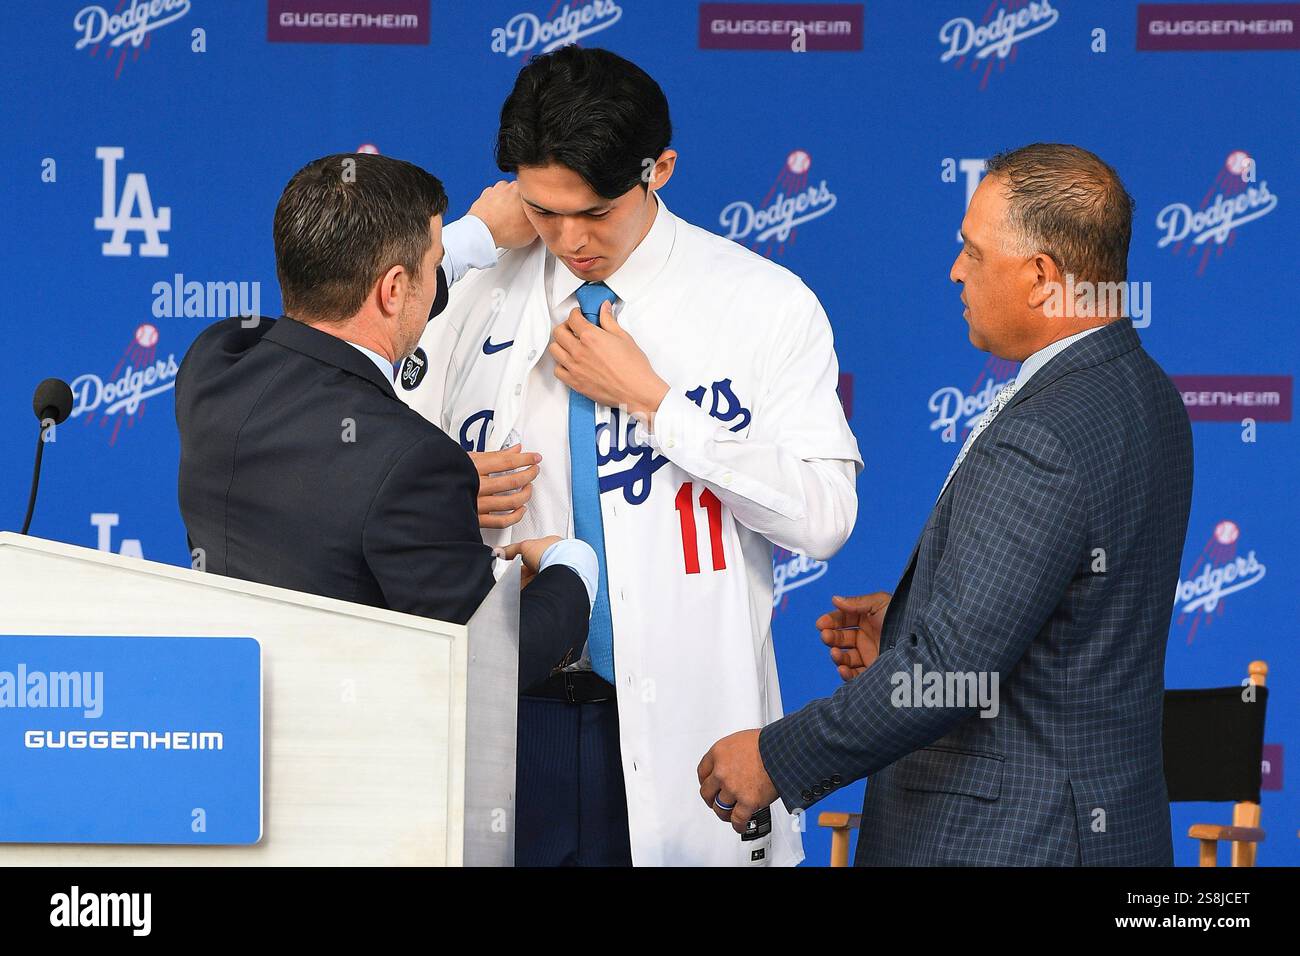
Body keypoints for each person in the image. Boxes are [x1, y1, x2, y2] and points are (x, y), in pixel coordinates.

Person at [402, 47, 862, 866]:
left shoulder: (761, 303)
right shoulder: (466, 294)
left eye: (596, 212)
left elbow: (823, 520)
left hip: (690, 729)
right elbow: (352, 456)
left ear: (661, 170)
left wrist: (658, 406)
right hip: (506, 715)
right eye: (544, 212)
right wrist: (437, 491)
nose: (571, 241)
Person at [698, 143, 1194, 866]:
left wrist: (777, 757)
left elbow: (948, 674)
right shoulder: (1147, 394)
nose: (956, 270)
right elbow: (1065, 623)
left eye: (973, 250)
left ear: (1041, 277)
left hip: (1010, 844)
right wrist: (907, 624)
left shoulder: (1044, 433)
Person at [175, 152, 597, 690]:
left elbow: (331, 472)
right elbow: (489, 664)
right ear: (394, 289)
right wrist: (570, 563)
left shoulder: (215, 362)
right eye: (435, 259)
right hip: (350, 752)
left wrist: (475, 237)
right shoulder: (415, 463)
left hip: (230, 729)